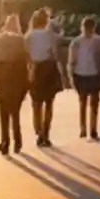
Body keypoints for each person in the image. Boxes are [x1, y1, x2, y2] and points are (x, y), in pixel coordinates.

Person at [0, 14, 30, 154]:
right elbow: (27, 59)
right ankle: (18, 141)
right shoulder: (21, 40)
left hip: (2, 78)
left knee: (3, 112)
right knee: (15, 112)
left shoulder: (1, 39)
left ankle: (5, 141)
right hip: (17, 78)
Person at [26, 9, 61, 147]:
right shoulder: (50, 35)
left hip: (35, 68)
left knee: (36, 103)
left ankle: (38, 130)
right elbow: (55, 53)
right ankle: (46, 133)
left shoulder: (29, 36)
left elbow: (27, 55)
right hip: (49, 67)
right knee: (49, 103)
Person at [69, 17, 100, 140]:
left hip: (94, 74)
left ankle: (92, 129)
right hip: (81, 74)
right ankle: (84, 129)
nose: (88, 30)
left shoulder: (99, 42)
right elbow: (72, 61)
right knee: (83, 102)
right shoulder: (76, 42)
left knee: (93, 103)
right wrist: (71, 75)